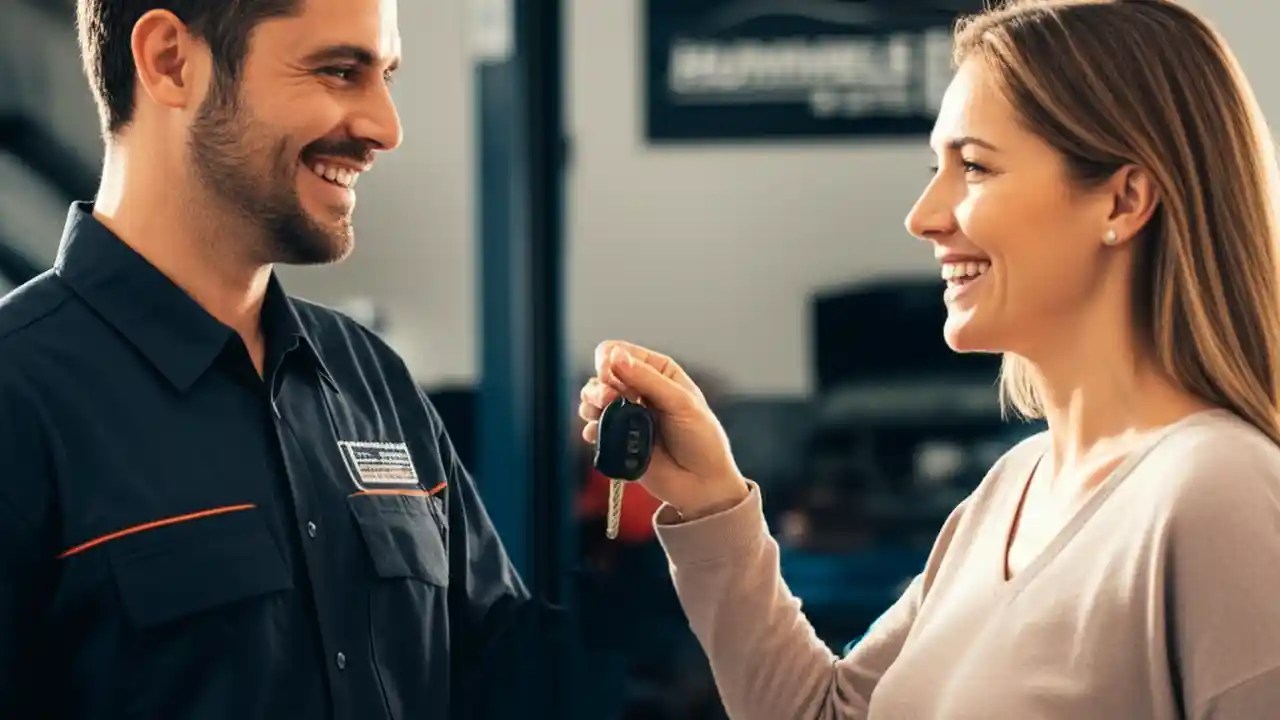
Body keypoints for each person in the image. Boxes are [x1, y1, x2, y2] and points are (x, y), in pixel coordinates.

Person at [579, 1, 1280, 717]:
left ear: (1124, 201)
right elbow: (824, 713)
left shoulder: (1220, 492)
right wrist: (710, 499)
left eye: (974, 166)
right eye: (936, 166)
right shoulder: (1014, 487)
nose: (922, 216)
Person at [0, 1, 533, 718]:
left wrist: (684, 520)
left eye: (385, 77)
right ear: (171, 61)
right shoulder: (19, 400)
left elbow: (510, 683)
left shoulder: (371, 380)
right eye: (339, 71)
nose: (386, 128)